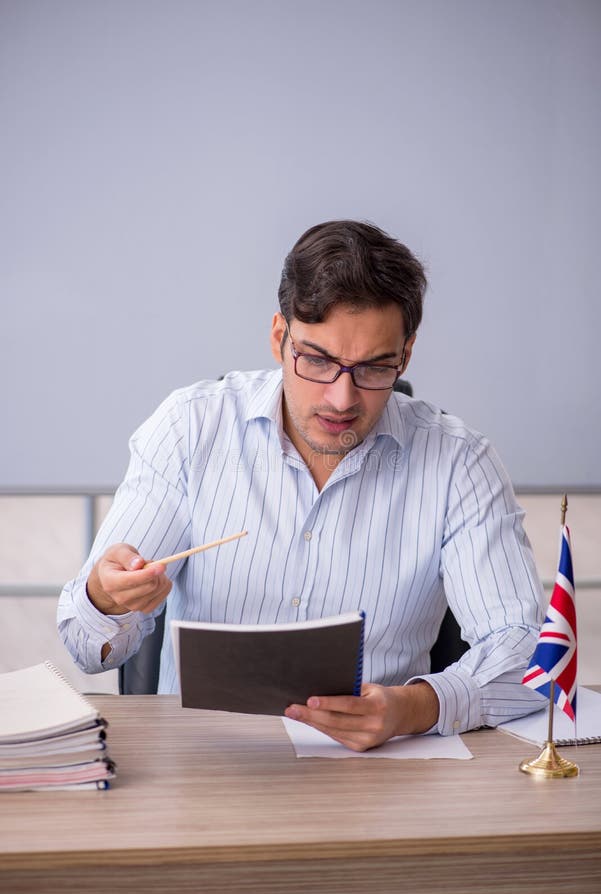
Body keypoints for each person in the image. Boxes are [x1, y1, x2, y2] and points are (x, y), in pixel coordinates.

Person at [58, 219, 546, 751]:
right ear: (278, 337)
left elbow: (526, 654)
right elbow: (85, 647)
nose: (342, 399)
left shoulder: (459, 461)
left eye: (375, 368)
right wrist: (106, 599)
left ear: (404, 354)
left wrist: (415, 707)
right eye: (317, 360)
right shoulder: (190, 429)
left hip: (382, 769)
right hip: (201, 767)